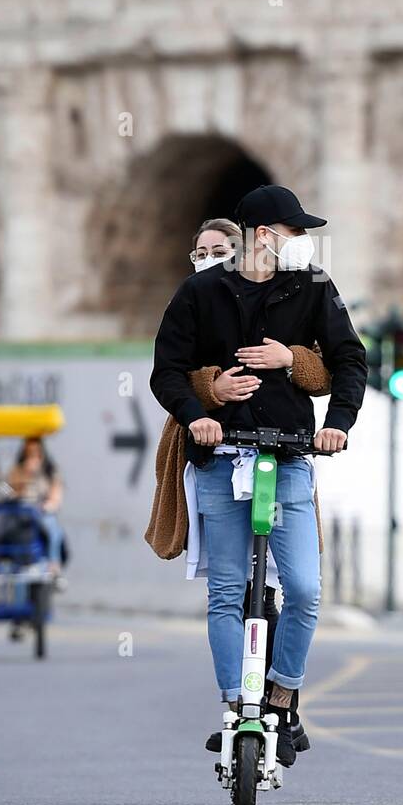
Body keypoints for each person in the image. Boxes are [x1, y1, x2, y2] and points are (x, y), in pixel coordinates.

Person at [150, 184, 367, 767]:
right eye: (297, 231)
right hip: (222, 461)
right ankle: (234, 703)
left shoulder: (315, 286)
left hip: (291, 457)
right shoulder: (199, 291)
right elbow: (165, 372)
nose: (305, 242)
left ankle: (282, 688)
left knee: (303, 590)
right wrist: (202, 409)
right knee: (226, 593)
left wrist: (335, 421)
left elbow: (349, 360)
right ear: (266, 236)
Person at [6, 436, 66, 566]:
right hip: (20, 512)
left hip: (42, 512)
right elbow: (5, 490)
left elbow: (56, 496)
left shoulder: (51, 471)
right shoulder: (16, 470)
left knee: (53, 531)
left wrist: (46, 506)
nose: (32, 455)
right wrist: (23, 480)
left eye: (36, 452)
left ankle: (53, 563)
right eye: (28, 452)